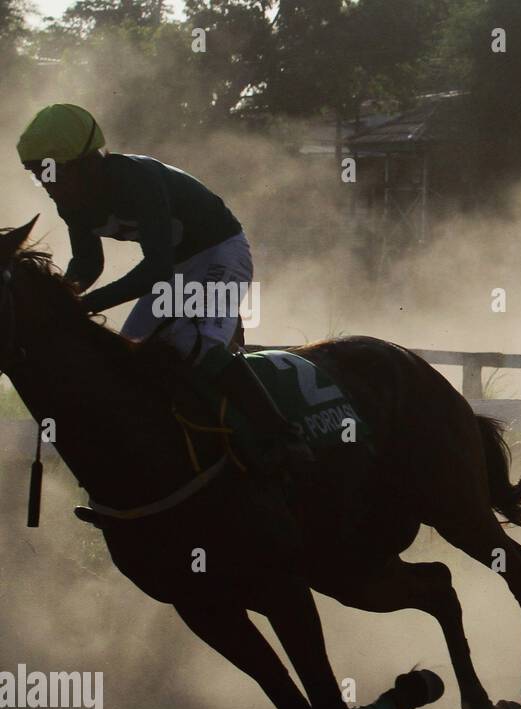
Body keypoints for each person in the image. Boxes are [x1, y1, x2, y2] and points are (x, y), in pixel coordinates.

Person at [16, 103, 311, 474]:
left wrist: (79, 306)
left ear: (87, 163)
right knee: (127, 358)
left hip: (219, 252)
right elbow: (89, 265)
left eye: (51, 172)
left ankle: (283, 437)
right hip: (175, 271)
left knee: (196, 347)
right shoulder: (72, 203)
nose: (46, 185)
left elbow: (155, 269)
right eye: (37, 174)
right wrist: (60, 296)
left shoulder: (136, 180)